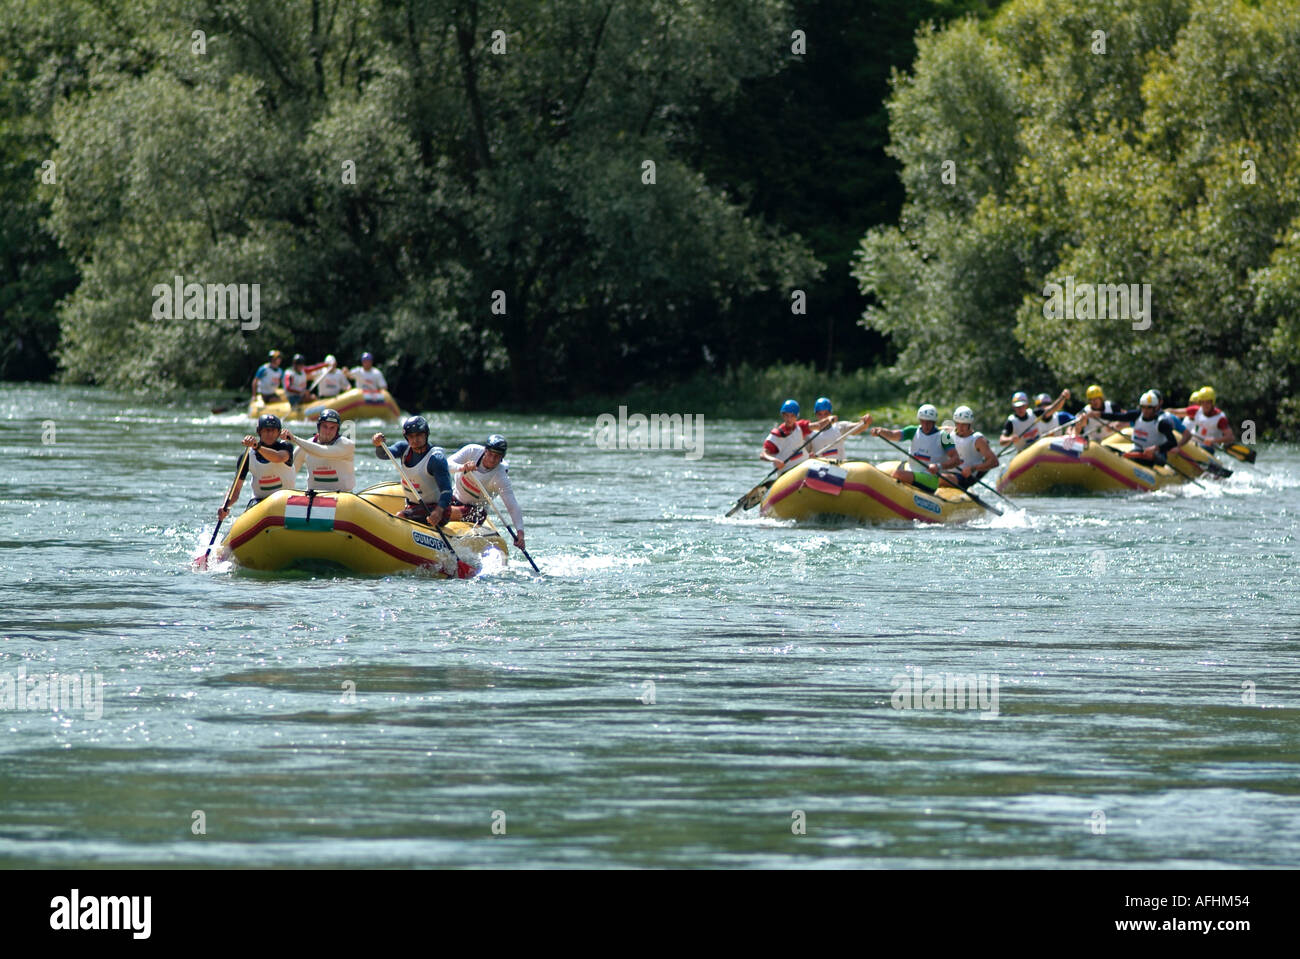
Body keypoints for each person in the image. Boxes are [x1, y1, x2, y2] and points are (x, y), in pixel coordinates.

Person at [447, 434, 526, 549]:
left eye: (497, 456)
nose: (492, 459)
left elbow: (512, 506)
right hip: (454, 498)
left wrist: (520, 534)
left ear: (502, 457)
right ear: (485, 451)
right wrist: (462, 467)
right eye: (490, 454)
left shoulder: (500, 477)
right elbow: (445, 464)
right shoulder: (471, 451)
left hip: (476, 512)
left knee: (441, 511)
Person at [371, 416, 452, 524]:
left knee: (401, 516)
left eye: (419, 435)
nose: (415, 440)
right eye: (411, 436)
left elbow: (447, 490)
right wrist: (379, 445)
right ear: (406, 437)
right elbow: (384, 454)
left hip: (436, 510)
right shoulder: (403, 448)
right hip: (414, 506)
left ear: (426, 434)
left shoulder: (436, 459)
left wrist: (438, 511)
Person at [217, 414, 296, 521]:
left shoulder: (286, 447)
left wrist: (257, 446)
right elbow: (235, 490)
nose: (270, 433)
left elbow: (278, 458)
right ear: (259, 431)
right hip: (259, 502)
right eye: (266, 430)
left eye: (273, 430)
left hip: (285, 501)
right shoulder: (247, 456)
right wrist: (225, 505)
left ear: (278, 433)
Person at [1083, 390, 1189, 465]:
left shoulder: (1162, 423)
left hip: (1155, 456)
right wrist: (1098, 414)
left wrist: (1156, 448)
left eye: (1149, 408)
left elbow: (1172, 442)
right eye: (1143, 407)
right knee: (1110, 449)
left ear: (1155, 408)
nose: (1145, 411)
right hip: (1138, 451)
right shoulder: (1137, 415)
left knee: (1143, 458)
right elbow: (1118, 416)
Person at [869, 404, 958, 490]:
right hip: (912, 472)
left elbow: (955, 459)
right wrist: (880, 431)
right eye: (923, 421)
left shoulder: (945, 436)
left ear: (934, 422)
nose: (926, 425)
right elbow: (893, 435)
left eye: (929, 422)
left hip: (931, 478)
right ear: (920, 420)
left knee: (899, 474)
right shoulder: (912, 431)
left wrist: (938, 466)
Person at [283, 409, 356, 492]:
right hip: (313, 497)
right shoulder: (305, 446)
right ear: (319, 427)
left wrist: (295, 439)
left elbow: (323, 452)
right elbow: (287, 473)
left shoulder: (346, 445)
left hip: (342, 497)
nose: (328, 432)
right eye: (325, 427)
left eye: (332, 428)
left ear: (337, 430)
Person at [760, 400, 833, 474]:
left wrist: (829, 419)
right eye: (786, 415)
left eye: (792, 416)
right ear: (783, 415)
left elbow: (818, 425)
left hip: (804, 467)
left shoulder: (801, 427)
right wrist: (774, 460)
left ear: (796, 416)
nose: (789, 419)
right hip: (787, 473)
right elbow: (763, 455)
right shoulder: (776, 435)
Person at [1000, 389, 1071, 452]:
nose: (1020, 409)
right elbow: (1002, 440)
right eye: (1017, 407)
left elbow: (1053, 408)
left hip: (1039, 449)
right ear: (1013, 407)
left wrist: (1062, 397)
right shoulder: (1011, 422)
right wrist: (1010, 439)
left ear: (1026, 405)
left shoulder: (1035, 413)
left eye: (1022, 406)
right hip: (1023, 453)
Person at [946, 406, 998, 489]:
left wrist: (973, 468)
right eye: (958, 423)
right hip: (948, 474)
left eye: (964, 424)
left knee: (943, 478)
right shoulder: (949, 434)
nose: (960, 427)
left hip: (965, 477)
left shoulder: (978, 440)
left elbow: (994, 462)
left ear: (970, 424)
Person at [805, 397, 872, 462]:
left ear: (830, 413)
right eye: (820, 414)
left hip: (839, 468)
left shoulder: (839, 427)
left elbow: (857, 427)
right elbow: (804, 455)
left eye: (826, 414)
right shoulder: (810, 433)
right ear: (816, 414)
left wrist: (865, 422)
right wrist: (809, 457)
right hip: (820, 470)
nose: (823, 417)